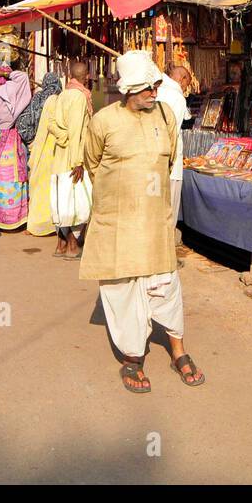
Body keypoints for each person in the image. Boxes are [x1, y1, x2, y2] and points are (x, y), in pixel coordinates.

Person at [81, 50, 203, 393]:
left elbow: (168, 161)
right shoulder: (103, 121)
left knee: (166, 285)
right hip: (117, 223)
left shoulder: (165, 115)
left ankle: (179, 351)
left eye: (156, 84)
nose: (154, 91)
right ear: (128, 90)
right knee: (122, 288)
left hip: (154, 221)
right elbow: (92, 163)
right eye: (147, 87)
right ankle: (132, 357)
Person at [47, 62, 94, 258]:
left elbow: (51, 123)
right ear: (85, 77)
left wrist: (62, 136)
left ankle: (61, 244)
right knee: (78, 200)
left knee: (62, 199)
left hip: (60, 154)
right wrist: (78, 162)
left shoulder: (62, 94)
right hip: (73, 156)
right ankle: (72, 246)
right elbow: (76, 131)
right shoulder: (78, 97)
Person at [0, 66, 32, 232]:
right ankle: (16, 219)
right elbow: (23, 78)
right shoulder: (7, 92)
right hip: (10, 139)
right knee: (13, 178)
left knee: (1, 178)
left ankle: (3, 219)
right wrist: (8, 73)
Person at [19, 71, 64, 241]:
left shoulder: (37, 98)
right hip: (57, 147)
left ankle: (36, 225)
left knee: (38, 185)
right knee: (54, 185)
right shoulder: (61, 99)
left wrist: (31, 140)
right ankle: (55, 223)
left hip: (37, 148)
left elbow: (23, 123)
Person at [156, 65, 192, 249]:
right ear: (182, 78)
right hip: (169, 163)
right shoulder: (176, 97)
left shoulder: (158, 91)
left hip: (155, 161)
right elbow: (172, 131)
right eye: (187, 83)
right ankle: (166, 254)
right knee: (169, 209)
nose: (187, 88)